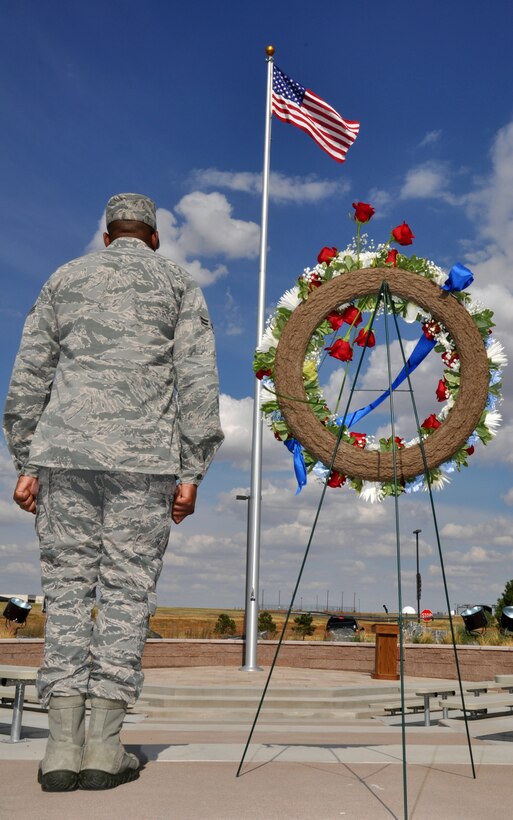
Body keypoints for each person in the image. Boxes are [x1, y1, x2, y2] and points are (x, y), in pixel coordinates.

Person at [3, 193, 224, 791]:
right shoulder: (177, 283)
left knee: (68, 592)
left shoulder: (64, 279)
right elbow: (197, 381)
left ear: (108, 236)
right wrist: (192, 470)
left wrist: (25, 458)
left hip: (64, 458)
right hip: (145, 462)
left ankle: (58, 751)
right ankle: (103, 747)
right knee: (126, 595)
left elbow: (28, 375)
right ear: (153, 237)